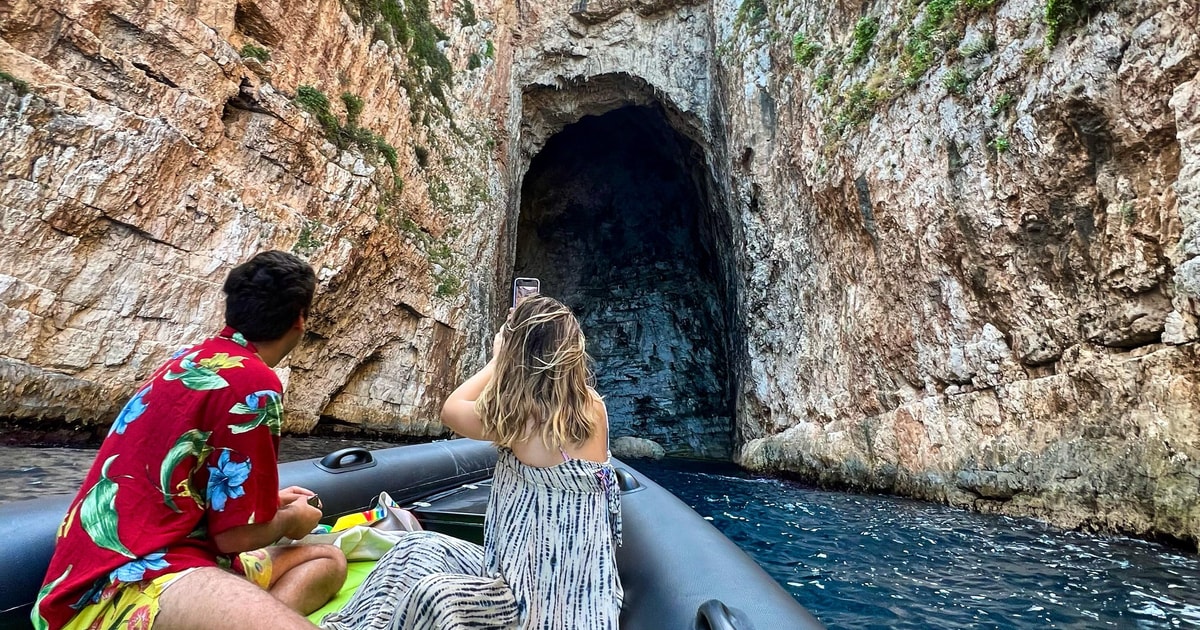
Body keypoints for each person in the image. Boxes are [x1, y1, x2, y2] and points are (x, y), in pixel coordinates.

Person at [33, 251, 347, 630]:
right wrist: (292, 520)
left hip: (178, 559)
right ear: (299, 320)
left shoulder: (191, 359)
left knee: (329, 561)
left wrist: (270, 505)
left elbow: (186, 488)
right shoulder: (257, 383)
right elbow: (236, 536)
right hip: (133, 577)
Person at [322, 295, 622, 629]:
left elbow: (451, 408)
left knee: (431, 594)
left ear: (518, 354)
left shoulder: (520, 421)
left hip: (532, 597)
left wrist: (497, 361)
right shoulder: (593, 406)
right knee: (416, 548)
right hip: (557, 579)